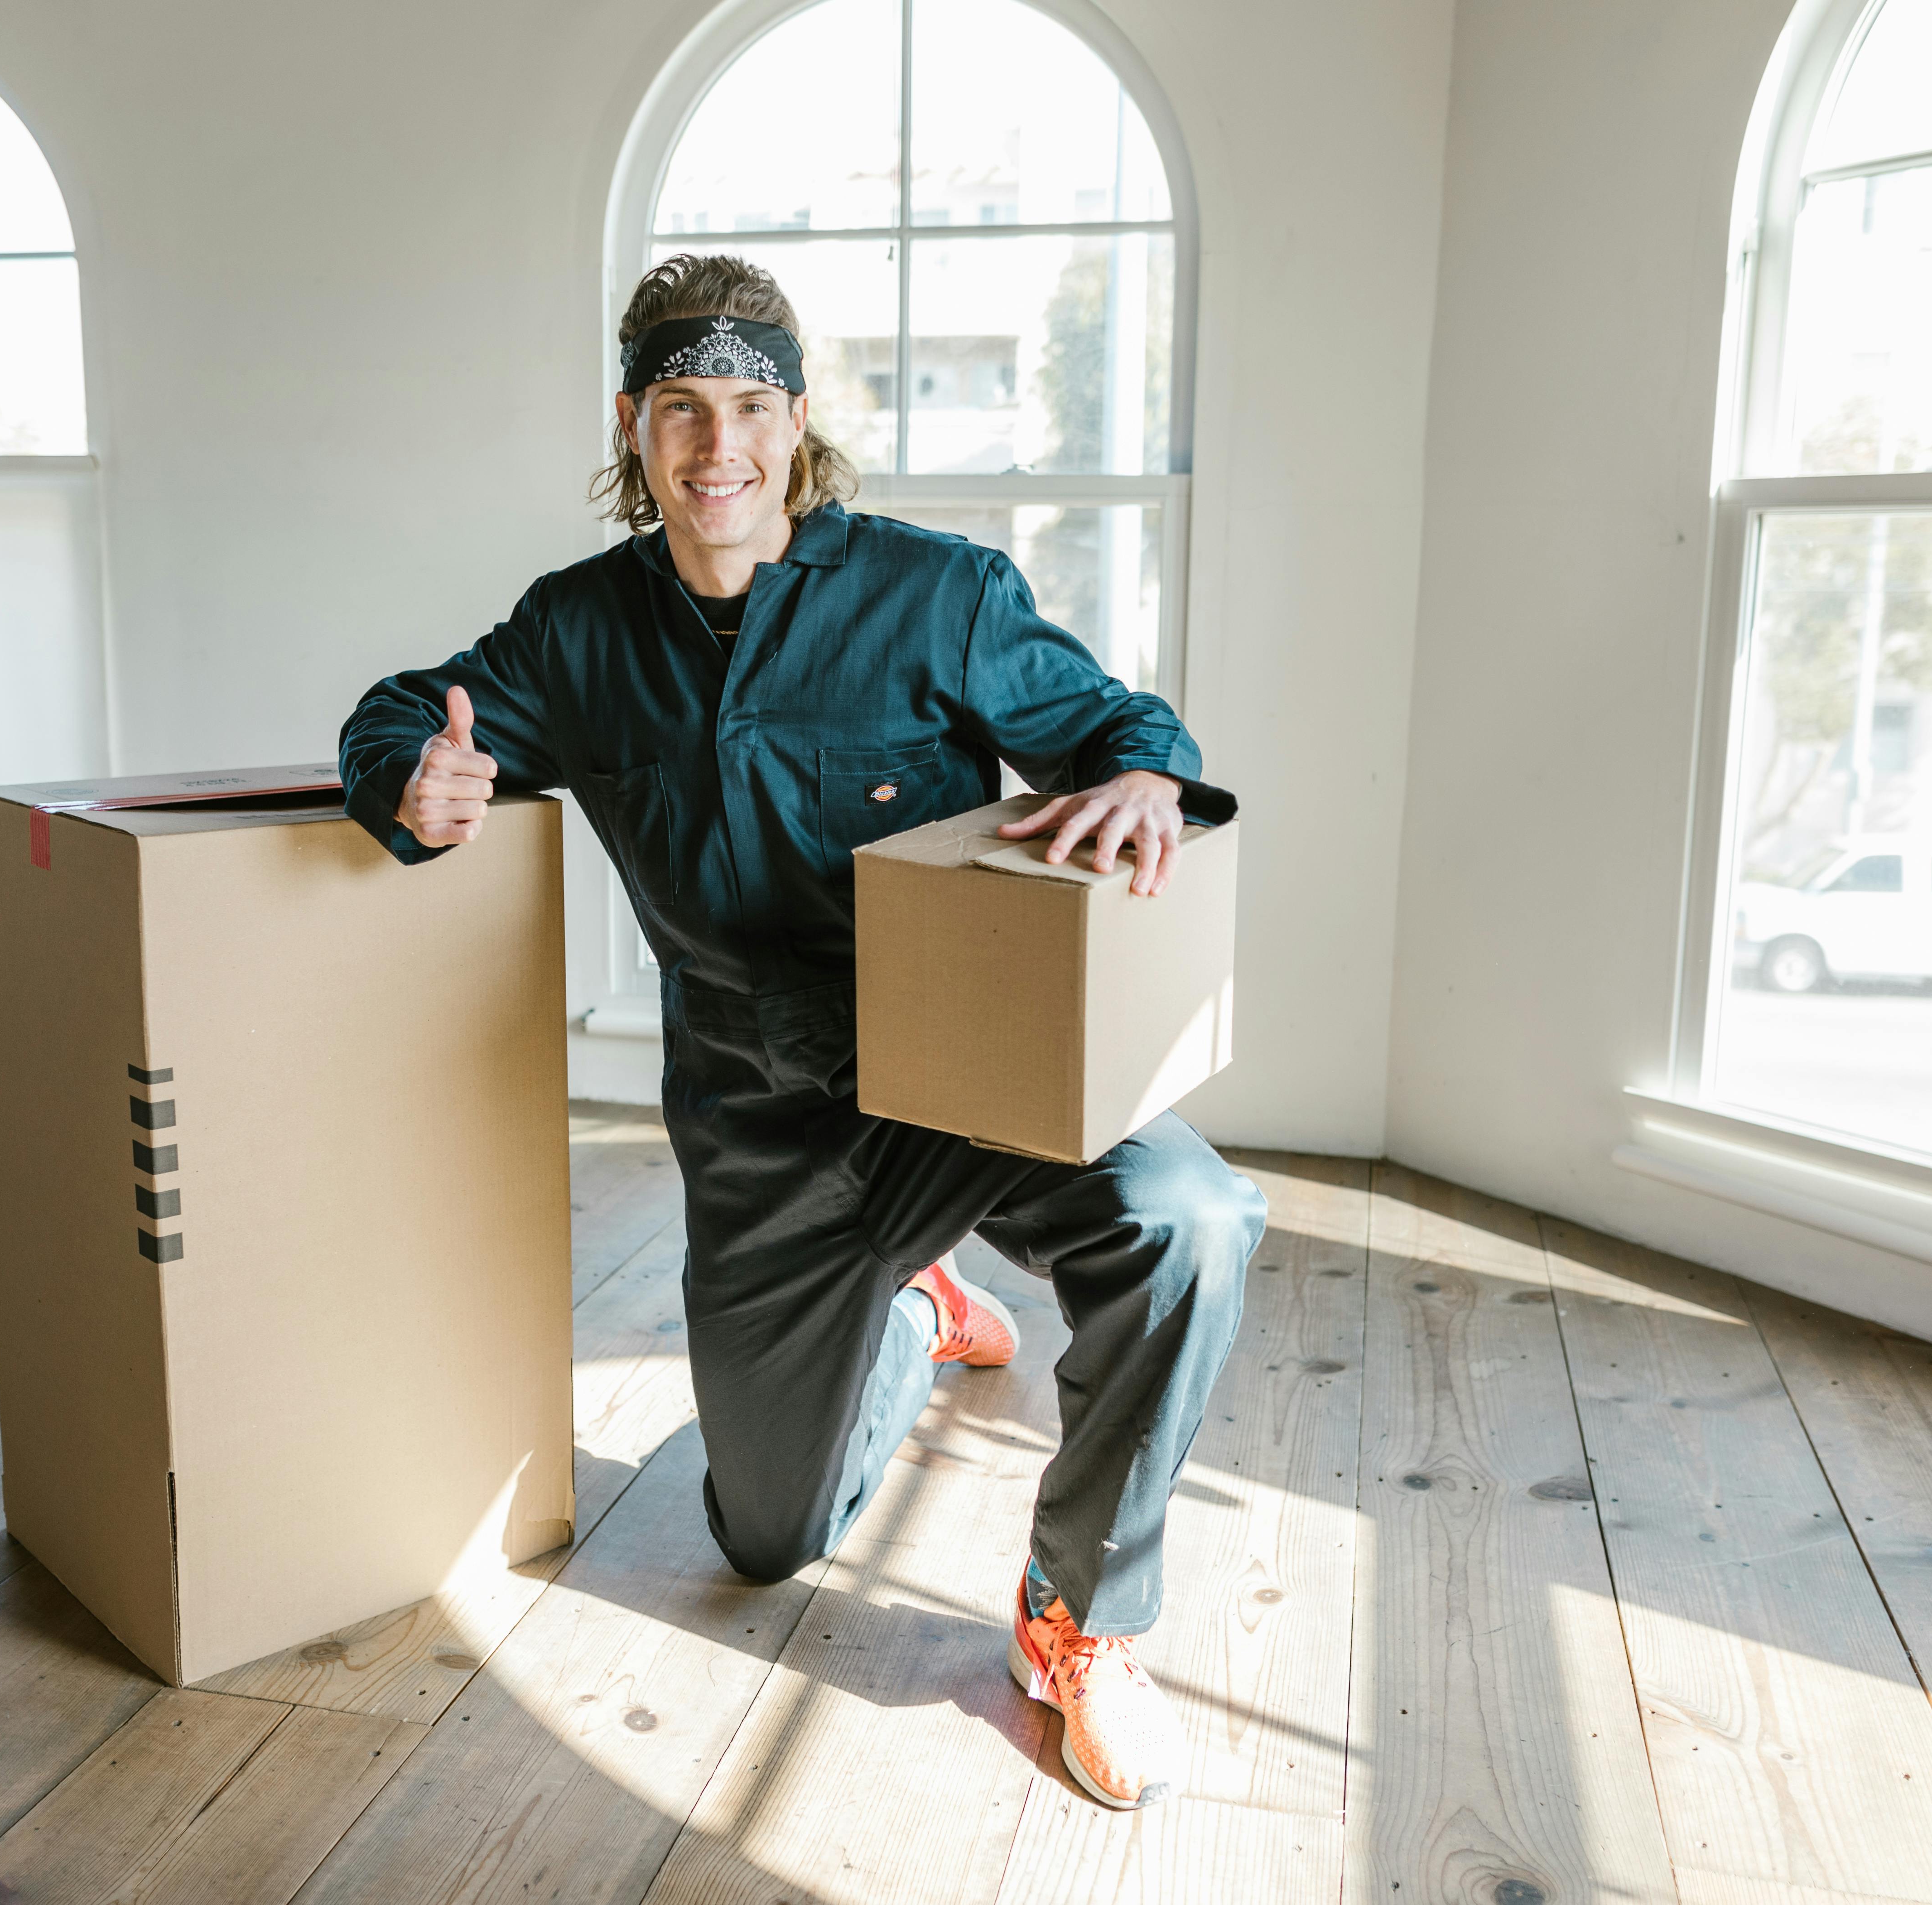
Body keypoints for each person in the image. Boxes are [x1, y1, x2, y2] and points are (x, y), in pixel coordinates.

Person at [338, 253, 1264, 1812]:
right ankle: (909, 1311)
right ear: (632, 426)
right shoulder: (576, 636)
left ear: (798, 421)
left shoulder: (937, 596)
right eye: (682, 409)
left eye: (752, 407)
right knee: (764, 1539)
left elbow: (1117, 726)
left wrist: (1145, 783)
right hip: (758, 1127)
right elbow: (412, 706)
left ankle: (1081, 1622)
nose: (720, 449)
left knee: (1193, 1214)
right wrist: (401, 785)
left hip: (971, 1088)